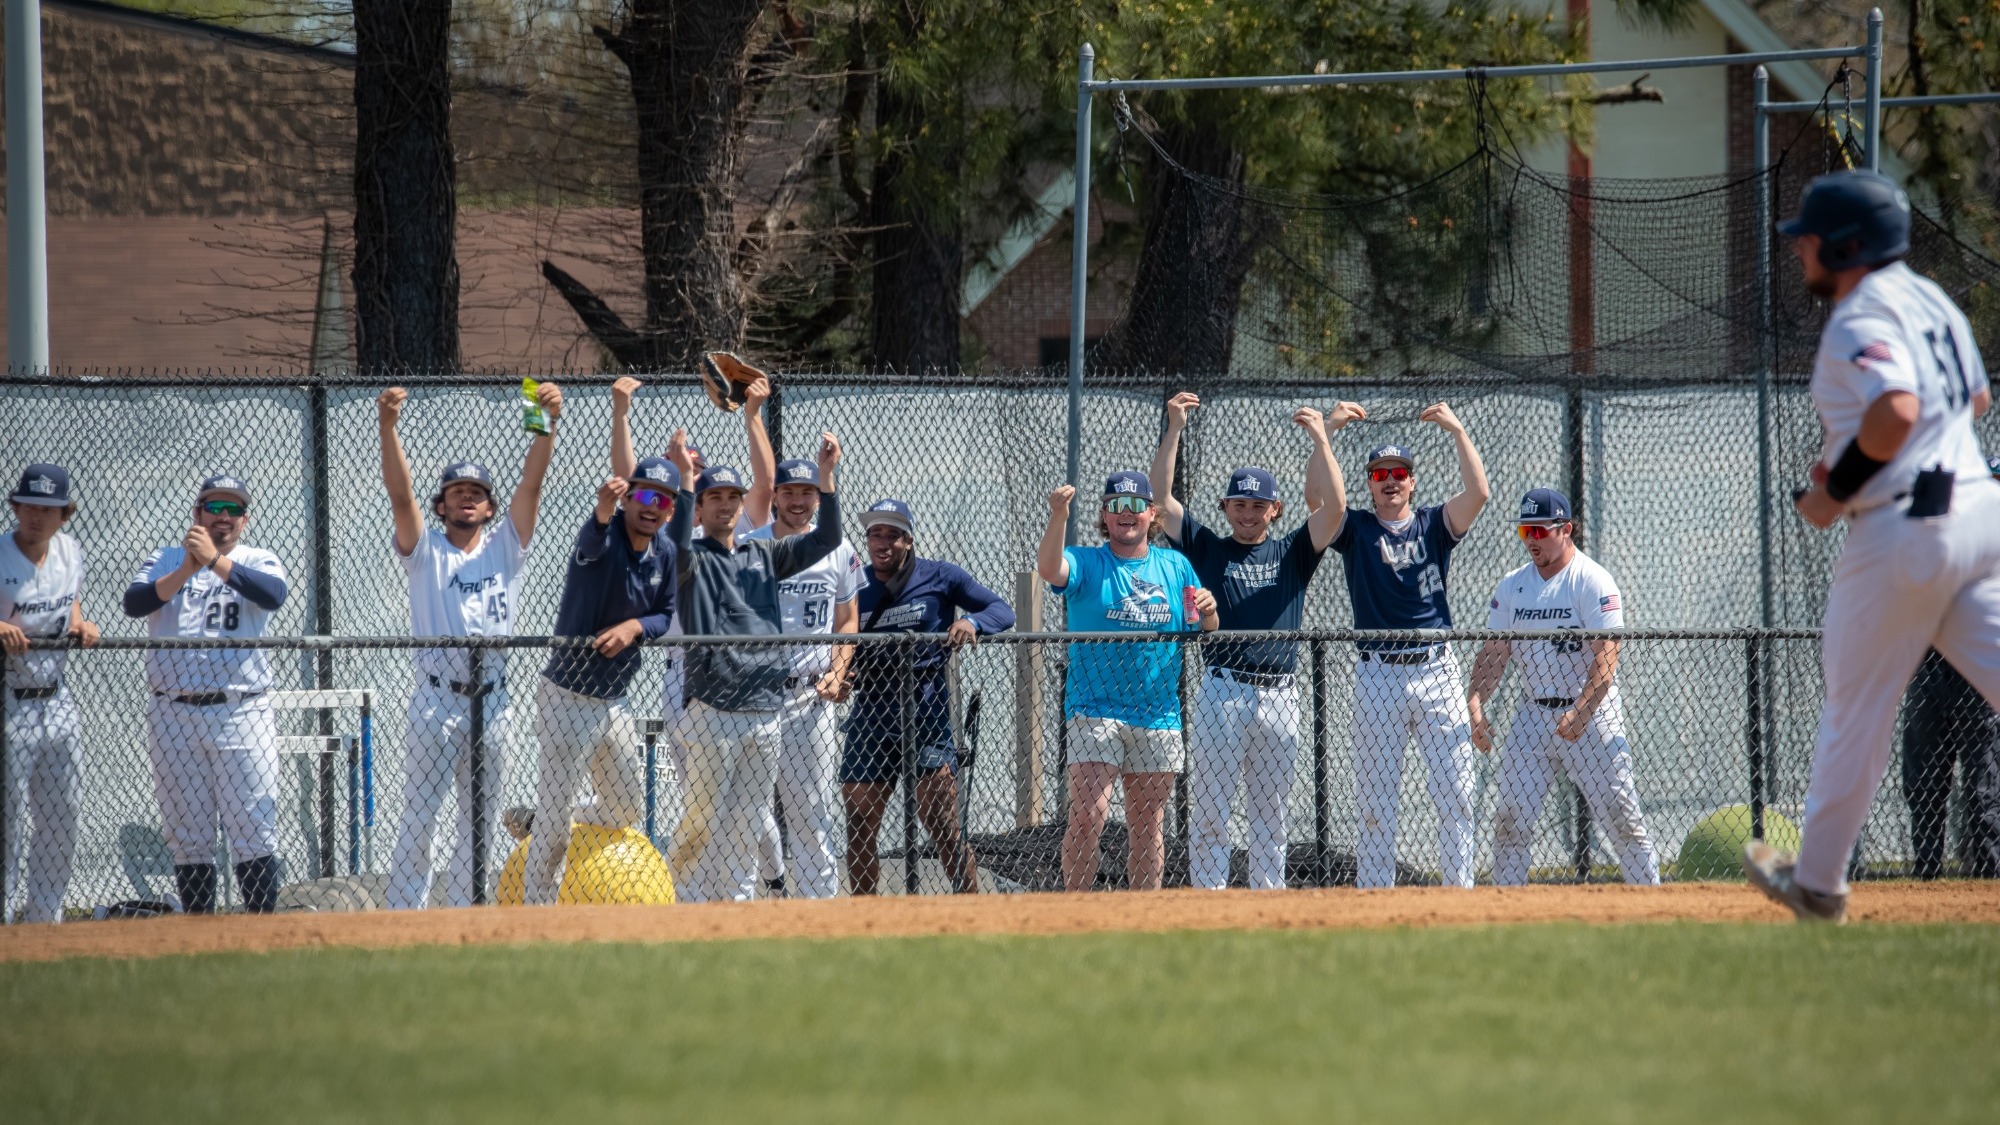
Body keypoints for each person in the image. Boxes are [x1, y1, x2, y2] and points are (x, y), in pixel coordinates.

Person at [1746, 170, 1999, 922]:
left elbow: (1895, 408)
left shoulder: (1861, 312)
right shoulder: (1932, 299)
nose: (1801, 254)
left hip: (1903, 528)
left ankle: (1818, 882)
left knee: (1855, 708)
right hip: (1980, 507)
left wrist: (1835, 491)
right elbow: (1976, 397)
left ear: (1847, 246)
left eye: (1811, 241)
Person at [376, 381, 560, 910]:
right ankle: (403, 917)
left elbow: (532, 484)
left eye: (476, 492)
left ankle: (466, 916)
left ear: (488, 507)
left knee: (479, 822)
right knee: (420, 815)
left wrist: (544, 419)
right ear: (442, 504)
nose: (467, 496)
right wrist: (389, 429)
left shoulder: (507, 547)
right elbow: (399, 495)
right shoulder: (425, 551)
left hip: (493, 699)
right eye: (458, 490)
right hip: (437, 701)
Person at [1148, 395, 1344, 891]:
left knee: (1271, 817)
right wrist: (1174, 427)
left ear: (1275, 510)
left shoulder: (1293, 552)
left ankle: (1267, 904)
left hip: (1279, 693)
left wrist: (1323, 438)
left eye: (1259, 505)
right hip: (1223, 689)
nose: (1249, 513)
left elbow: (1336, 509)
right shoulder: (1208, 547)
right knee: (1211, 810)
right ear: (1225, 507)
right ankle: (1211, 905)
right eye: (1240, 504)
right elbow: (1160, 498)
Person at [608, 372, 787, 893]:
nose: (699, 479)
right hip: (684, 678)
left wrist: (753, 417)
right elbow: (630, 479)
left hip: (741, 680)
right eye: (690, 473)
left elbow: (766, 487)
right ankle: (707, 893)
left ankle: (765, 882)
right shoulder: (668, 534)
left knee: (745, 810)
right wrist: (622, 415)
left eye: (703, 473)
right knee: (701, 802)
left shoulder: (732, 533)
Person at [664, 429, 846, 902]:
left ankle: (739, 916)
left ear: (743, 504)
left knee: (746, 825)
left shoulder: (764, 553)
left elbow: (828, 537)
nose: (725, 505)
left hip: (765, 713)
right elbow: (675, 541)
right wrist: (685, 480)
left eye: (732, 497)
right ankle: (682, 915)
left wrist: (826, 478)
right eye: (713, 498)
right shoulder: (689, 559)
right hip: (713, 711)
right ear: (700, 509)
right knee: (701, 823)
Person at [1317, 404, 1490, 889]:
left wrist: (1457, 430)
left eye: (1398, 473)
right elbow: (1316, 498)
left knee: (1456, 792)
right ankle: (1376, 898)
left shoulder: (1434, 524)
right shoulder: (1355, 528)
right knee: (1375, 801)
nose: (1389, 480)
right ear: (1368, 483)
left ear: (1412, 481)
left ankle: (1459, 894)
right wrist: (1326, 434)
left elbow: (1479, 493)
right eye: (1379, 474)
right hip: (1378, 674)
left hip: (1437, 671)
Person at [1466, 488, 1661, 886]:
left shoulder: (1591, 580)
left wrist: (1583, 711)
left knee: (1621, 817)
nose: (1533, 540)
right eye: (1526, 532)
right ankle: (1508, 910)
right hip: (1533, 715)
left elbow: (1606, 658)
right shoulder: (1512, 587)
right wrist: (1475, 702)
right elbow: (1493, 653)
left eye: (1540, 531)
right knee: (1510, 820)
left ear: (1565, 529)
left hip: (1590, 715)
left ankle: (1651, 900)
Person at [1038, 473, 1216, 892]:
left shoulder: (1175, 566)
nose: (1126, 514)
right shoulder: (1087, 562)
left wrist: (1209, 612)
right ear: (1104, 515)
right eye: (1116, 505)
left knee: (1148, 827)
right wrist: (1058, 516)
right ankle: (1077, 916)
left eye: (1136, 505)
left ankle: (1144, 922)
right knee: (1087, 817)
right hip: (1095, 708)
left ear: (1152, 513)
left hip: (1157, 712)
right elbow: (1050, 568)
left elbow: (1201, 626)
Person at [123, 475, 290, 914]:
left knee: (252, 826)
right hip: (173, 710)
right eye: (213, 507)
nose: (223, 516)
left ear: (245, 519)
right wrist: (187, 569)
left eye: (233, 509)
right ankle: (199, 937)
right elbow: (135, 603)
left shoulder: (259, 559)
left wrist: (215, 561)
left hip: (241, 710)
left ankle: (260, 934)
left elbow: (273, 595)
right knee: (188, 834)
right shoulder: (165, 559)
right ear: (196, 515)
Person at [515, 459, 680, 905]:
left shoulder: (664, 551)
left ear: (670, 510)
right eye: (644, 494)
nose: (652, 505)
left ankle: (544, 816)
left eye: (662, 499)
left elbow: (665, 614)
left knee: (626, 808)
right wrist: (602, 510)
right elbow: (591, 541)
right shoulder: (604, 539)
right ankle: (535, 912)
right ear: (628, 498)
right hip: (568, 695)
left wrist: (634, 627)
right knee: (555, 826)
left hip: (614, 701)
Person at [843, 498, 1015, 895]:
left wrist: (972, 621)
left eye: (892, 535)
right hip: (871, 708)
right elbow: (840, 634)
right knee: (859, 818)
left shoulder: (941, 576)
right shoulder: (856, 583)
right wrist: (841, 670)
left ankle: (970, 908)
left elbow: (1001, 610)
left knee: (940, 820)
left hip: (926, 707)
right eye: (874, 534)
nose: (881, 543)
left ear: (909, 540)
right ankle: (865, 920)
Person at [728, 458, 863, 898]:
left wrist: (838, 671)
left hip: (810, 697)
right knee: (746, 812)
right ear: (775, 496)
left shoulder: (838, 549)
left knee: (811, 812)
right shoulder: (750, 546)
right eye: (790, 491)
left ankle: (817, 915)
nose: (799, 500)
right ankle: (743, 910)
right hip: (755, 696)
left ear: (819, 496)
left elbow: (846, 620)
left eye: (808, 492)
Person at [2, 465, 100, 924]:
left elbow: (69, 597)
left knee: (62, 814)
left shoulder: (68, 550)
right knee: (9, 819)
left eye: (48, 509)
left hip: (57, 700)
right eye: (29, 506)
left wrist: (80, 621)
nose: (37, 516)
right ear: (15, 507)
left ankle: (46, 916)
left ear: (65, 514)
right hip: (9, 697)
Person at [1901, 649, 2000, 879]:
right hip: (1928, 662)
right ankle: (1927, 873)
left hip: (1976, 663)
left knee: (1983, 789)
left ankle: (1991, 877)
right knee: (1923, 781)